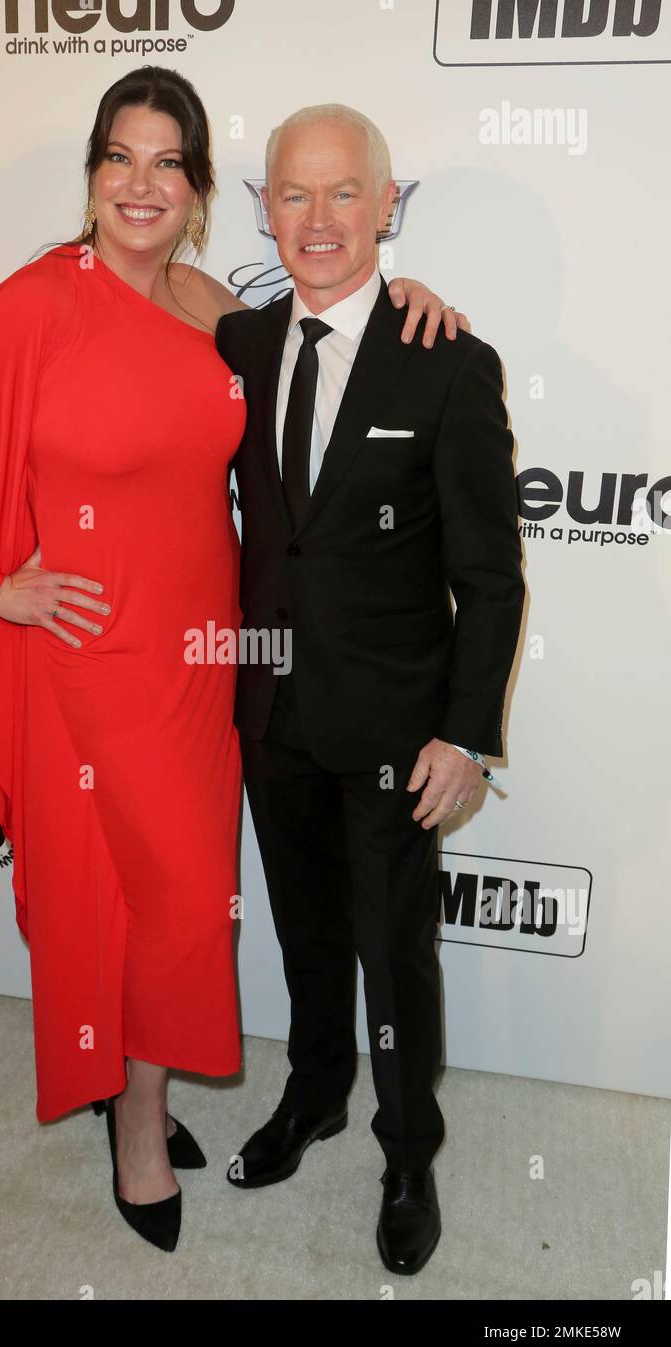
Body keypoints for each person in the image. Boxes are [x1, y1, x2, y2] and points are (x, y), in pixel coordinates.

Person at [0, 68, 464, 1256]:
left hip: (207, 659)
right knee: (133, 900)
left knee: (185, 903)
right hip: (92, 660)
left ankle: (135, 1084)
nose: (141, 183)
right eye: (118, 159)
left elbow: (323, 335)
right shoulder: (36, 301)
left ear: (195, 193)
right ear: (91, 178)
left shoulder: (204, 304)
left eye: (166, 164)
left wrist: (410, 304)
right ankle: (138, 1123)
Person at [215, 104, 525, 1275]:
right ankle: (315, 1096)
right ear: (262, 211)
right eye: (293, 195)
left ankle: (406, 1153)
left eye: (344, 192)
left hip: (398, 728)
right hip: (271, 713)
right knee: (304, 936)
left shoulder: (447, 360)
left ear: (387, 204)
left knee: (392, 954)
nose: (318, 219)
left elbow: (489, 578)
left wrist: (464, 734)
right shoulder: (240, 343)